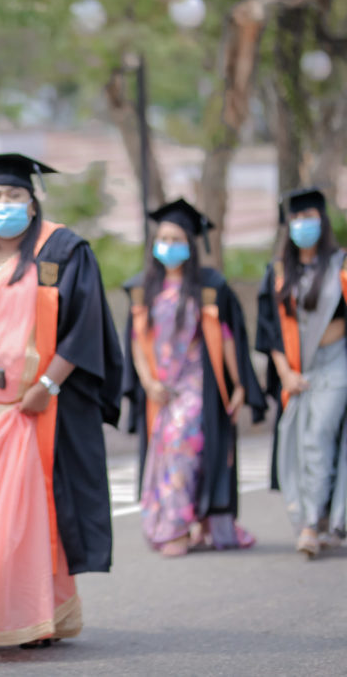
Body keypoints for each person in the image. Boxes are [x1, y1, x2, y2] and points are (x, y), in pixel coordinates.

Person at [0, 153, 123, 648]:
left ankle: (30, 616)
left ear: (33, 201)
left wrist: (49, 386)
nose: (4, 205)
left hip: (32, 408)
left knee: (25, 514)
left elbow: (87, 328)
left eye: (14, 195)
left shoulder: (63, 250)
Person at [123, 199, 265, 557]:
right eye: (163, 238)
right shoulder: (144, 288)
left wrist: (238, 385)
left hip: (196, 387)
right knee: (164, 455)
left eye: (177, 238)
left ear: (190, 243)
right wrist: (148, 383)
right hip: (160, 388)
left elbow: (228, 338)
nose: (169, 245)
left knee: (182, 448)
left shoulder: (210, 287)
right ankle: (182, 523)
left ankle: (177, 529)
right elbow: (137, 343)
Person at [256, 187, 347, 558]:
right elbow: (269, 329)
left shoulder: (341, 267)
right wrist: (285, 373)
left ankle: (311, 523)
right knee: (299, 441)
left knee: (320, 438)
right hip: (297, 368)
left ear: (322, 221)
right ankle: (317, 518)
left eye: (308, 217)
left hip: (336, 362)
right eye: (295, 218)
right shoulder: (278, 273)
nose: (301, 224)